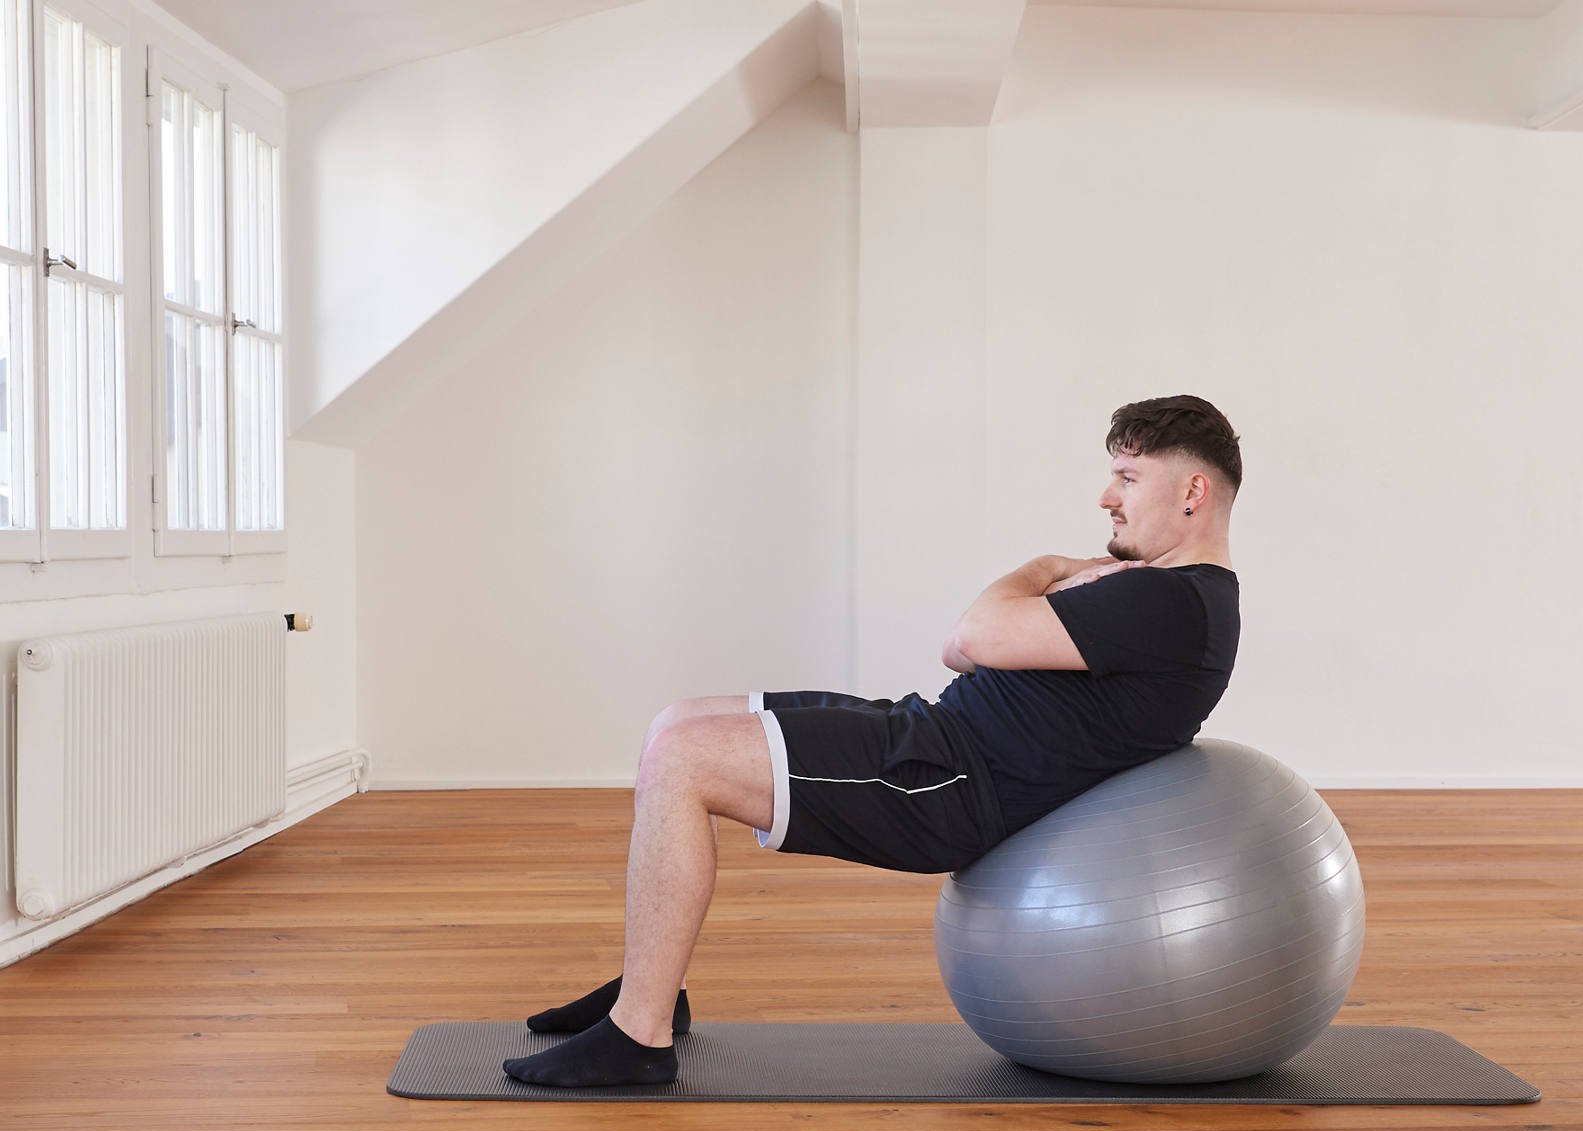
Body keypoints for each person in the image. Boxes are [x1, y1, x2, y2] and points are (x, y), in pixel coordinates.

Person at [505, 394, 1243, 1088]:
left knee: (682, 761)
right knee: (675, 723)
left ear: (1191, 493)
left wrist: (1045, 569)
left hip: (947, 784)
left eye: (1127, 476)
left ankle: (638, 1038)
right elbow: (960, 656)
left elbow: (971, 635)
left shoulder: (1171, 601)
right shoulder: (1156, 592)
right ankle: (656, 987)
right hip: (930, 735)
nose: (1107, 496)